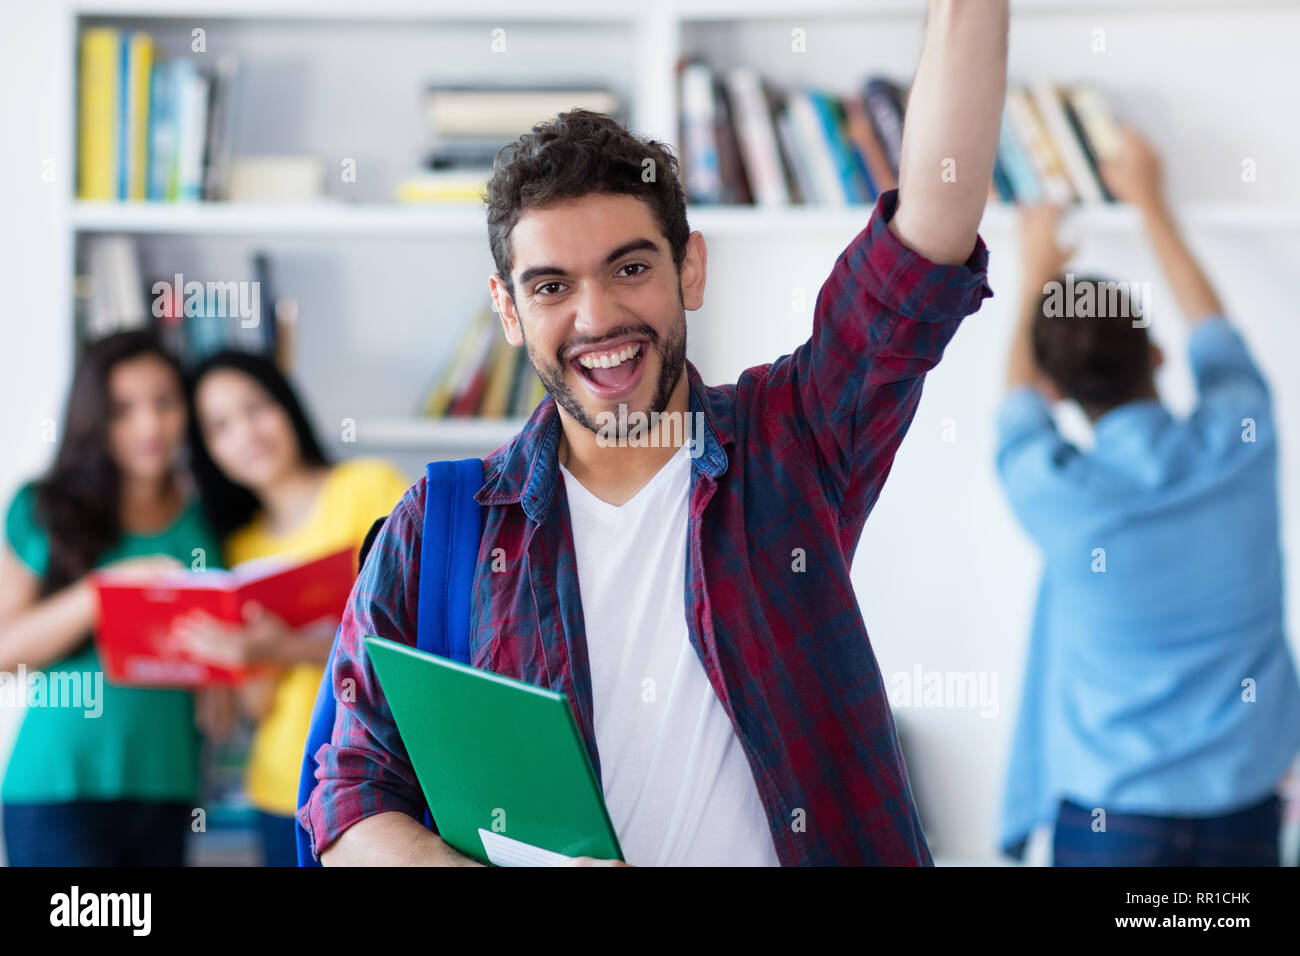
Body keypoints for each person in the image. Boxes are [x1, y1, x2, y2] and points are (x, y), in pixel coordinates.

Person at [301, 0, 1005, 867]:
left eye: (630, 268)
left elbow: (929, 235)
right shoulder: (440, 525)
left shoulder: (793, 441)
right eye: (552, 286)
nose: (598, 317)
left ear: (690, 268)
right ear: (509, 311)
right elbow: (348, 801)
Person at [997, 128, 1300, 866]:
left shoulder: (1057, 493)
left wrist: (1036, 269)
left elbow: (1015, 410)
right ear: (1159, 354)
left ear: (1055, 391)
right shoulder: (1244, 440)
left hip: (1114, 822)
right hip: (1243, 810)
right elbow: (1217, 334)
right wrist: (1151, 203)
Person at [177, 350, 408, 866]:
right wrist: (248, 658)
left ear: (286, 406)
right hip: (281, 790)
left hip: (380, 783)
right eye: (220, 427)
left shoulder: (366, 487)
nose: (246, 435)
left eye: (256, 408)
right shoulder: (236, 551)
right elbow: (256, 708)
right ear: (207, 449)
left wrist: (285, 645)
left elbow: (409, 642)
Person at [0, 330, 223, 866]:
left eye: (164, 402)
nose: (149, 425)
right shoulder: (43, 508)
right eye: (123, 409)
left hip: (167, 791)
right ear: (94, 417)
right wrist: (105, 592)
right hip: (57, 789)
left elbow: (217, 707)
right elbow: (6, 652)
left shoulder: (204, 521)